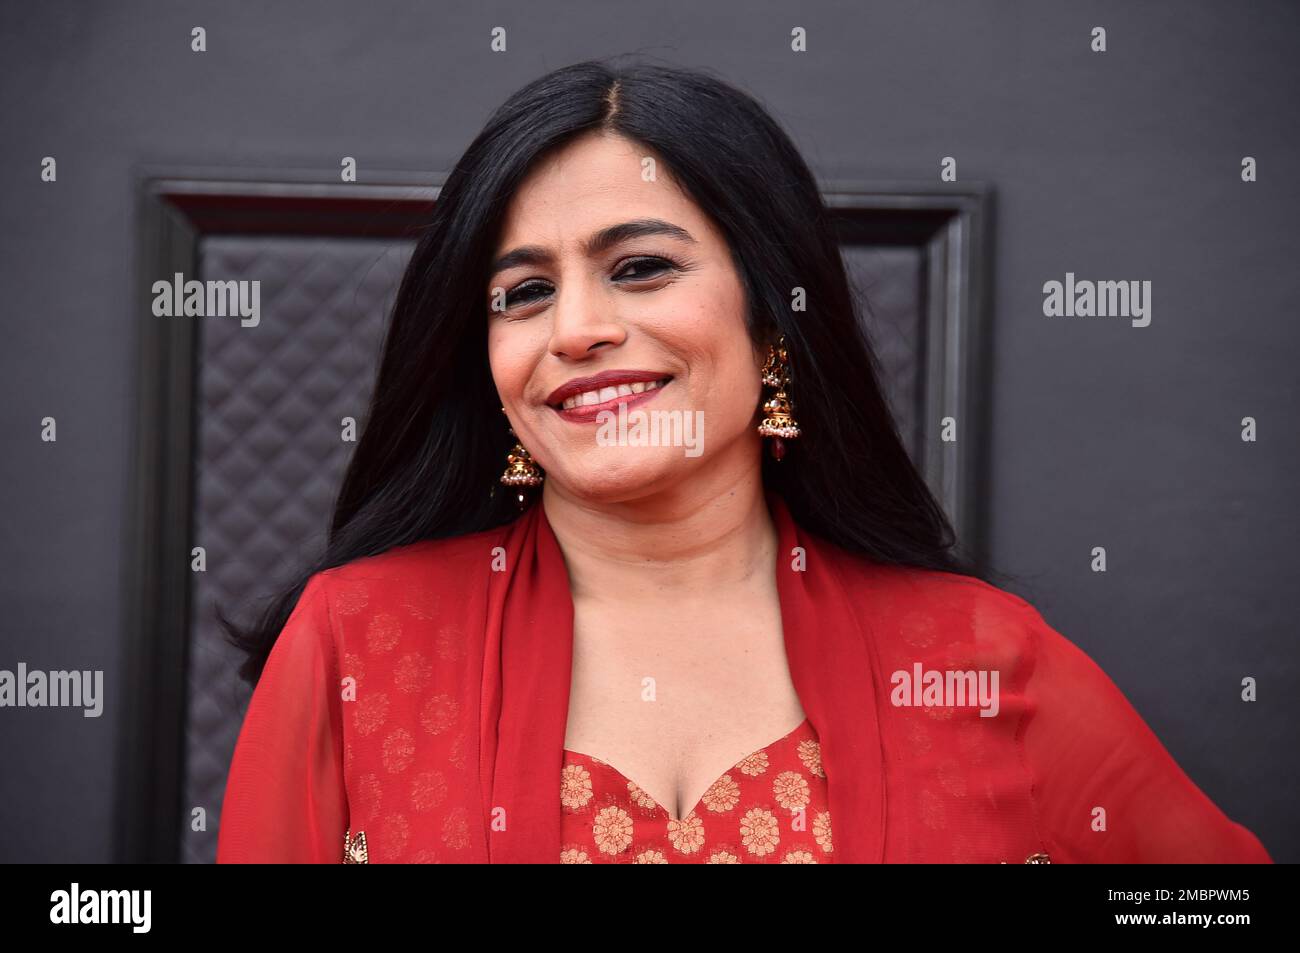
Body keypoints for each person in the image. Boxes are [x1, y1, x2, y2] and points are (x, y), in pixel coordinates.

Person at [216, 59, 1271, 864]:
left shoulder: (978, 656)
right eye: (524, 293)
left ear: (773, 322)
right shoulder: (358, 643)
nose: (575, 329)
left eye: (640, 267)